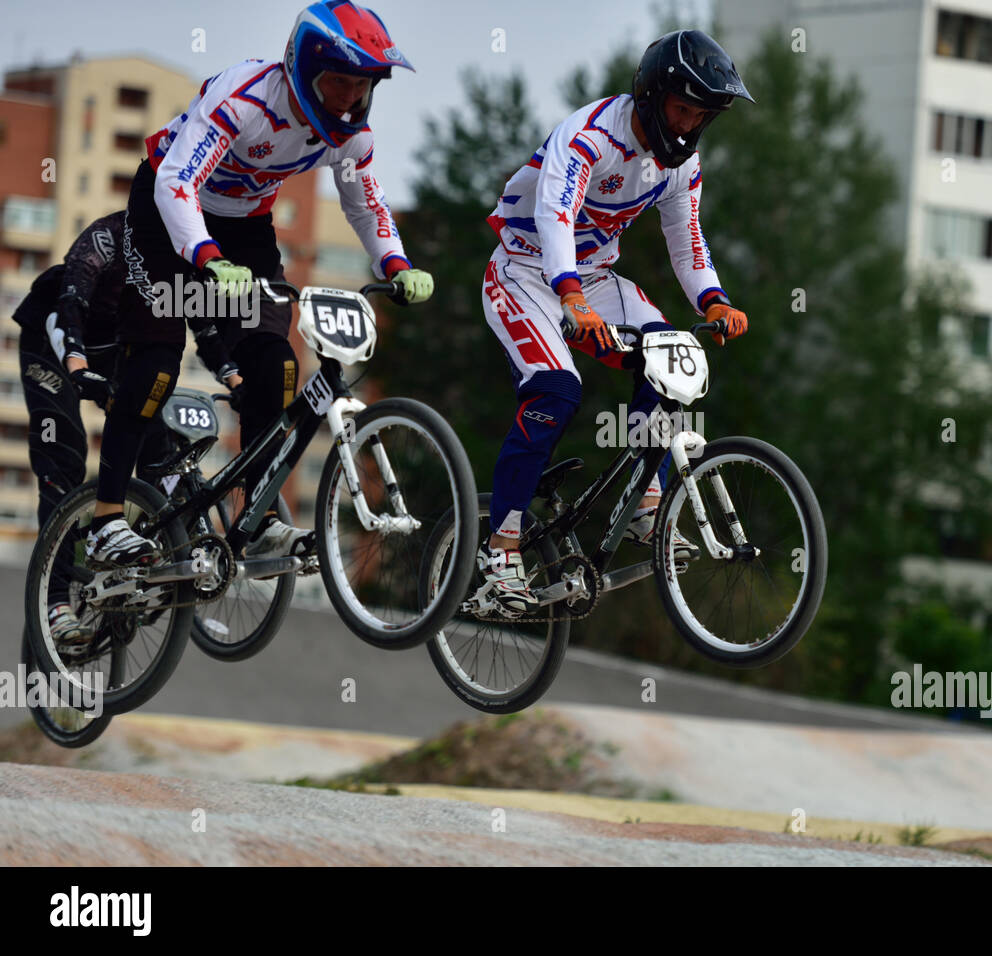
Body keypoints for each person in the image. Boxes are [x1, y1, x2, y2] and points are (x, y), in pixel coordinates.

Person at [85, 0, 433, 569]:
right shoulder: (244, 98)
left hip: (244, 224)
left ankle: (261, 516)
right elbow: (177, 178)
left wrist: (395, 262)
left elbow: (366, 206)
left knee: (276, 360)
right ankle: (105, 519)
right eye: (340, 81)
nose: (350, 97)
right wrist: (203, 254)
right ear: (303, 69)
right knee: (156, 360)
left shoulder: (352, 137)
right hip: (167, 206)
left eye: (363, 85)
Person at [479, 29, 752, 614]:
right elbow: (555, 216)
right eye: (682, 108)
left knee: (671, 359)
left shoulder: (681, 164)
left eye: (701, 116)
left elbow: (686, 239)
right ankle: (500, 546)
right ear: (652, 96)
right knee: (557, 390)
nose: (688, 125)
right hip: (525, 274)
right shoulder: (590, 137)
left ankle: (645, 508)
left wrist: (714, 301)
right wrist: (570, 299)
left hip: (595, 280)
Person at [12, 211, 235, 644]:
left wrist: (236, 381)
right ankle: (55, 601)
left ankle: (159, 574)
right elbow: (68, 306)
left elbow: (205, 330)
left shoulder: (185, 252)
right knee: (67, 454)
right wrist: (76, 364)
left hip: (116, 351)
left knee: (160, 449)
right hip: (54, 343)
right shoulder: (108, 237)